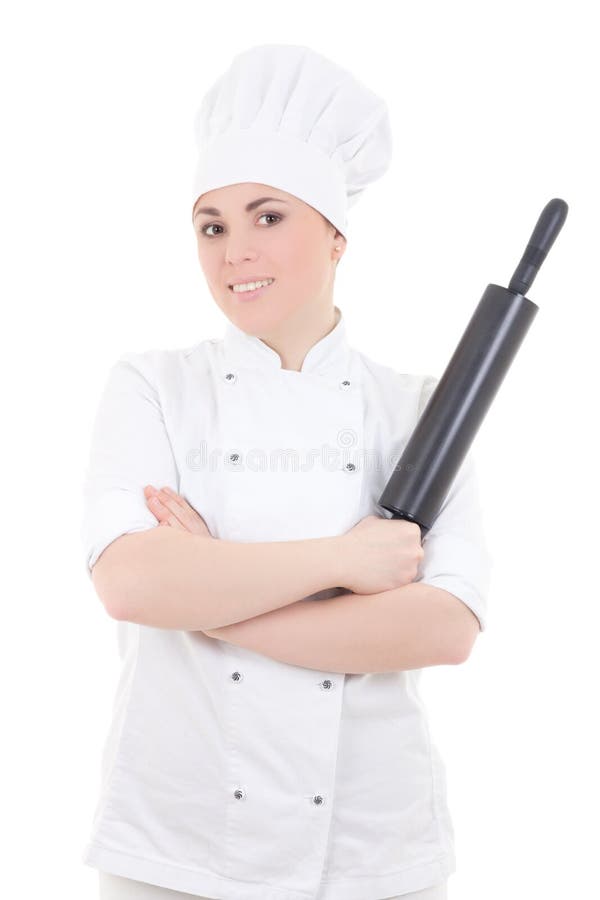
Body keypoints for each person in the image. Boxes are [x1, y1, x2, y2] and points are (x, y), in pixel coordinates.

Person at [81, 44, 492, 900]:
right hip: (173, 842)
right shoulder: (154, 385)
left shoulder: (421, 409)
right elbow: (129, 584)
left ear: (337, 234)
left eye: (268, 217)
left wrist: (210, 602)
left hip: (372, 851)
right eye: (212, 226)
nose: (235, 253)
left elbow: (444, 628)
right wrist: (344, 564)